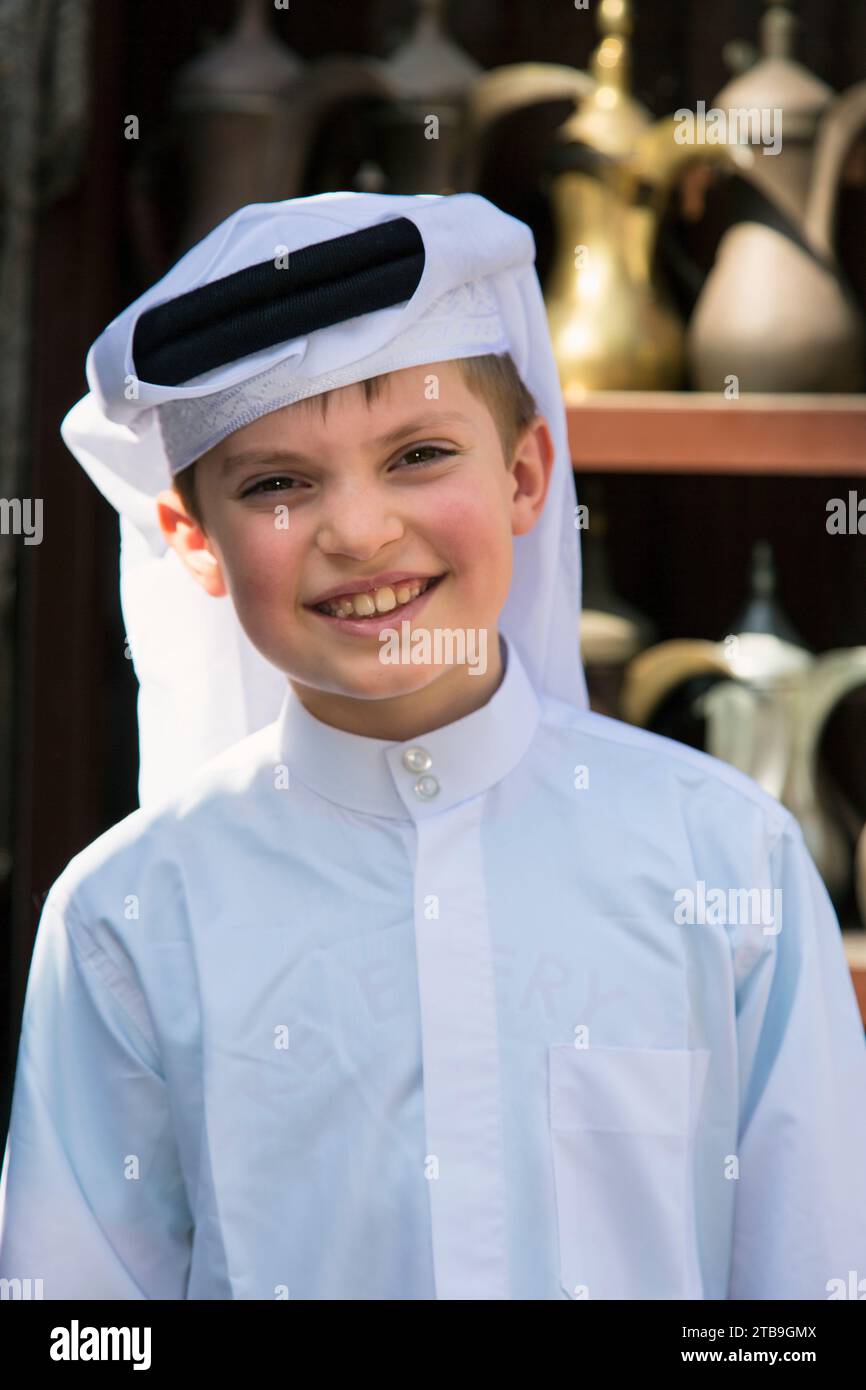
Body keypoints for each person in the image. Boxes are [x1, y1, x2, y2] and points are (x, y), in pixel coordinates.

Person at [1, 192, 865, 1301]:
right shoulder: (127, 915)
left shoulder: (721, 861)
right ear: (192, 538)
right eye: (276, 483)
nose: (358, 531)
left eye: (416, 453)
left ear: (522, 474)